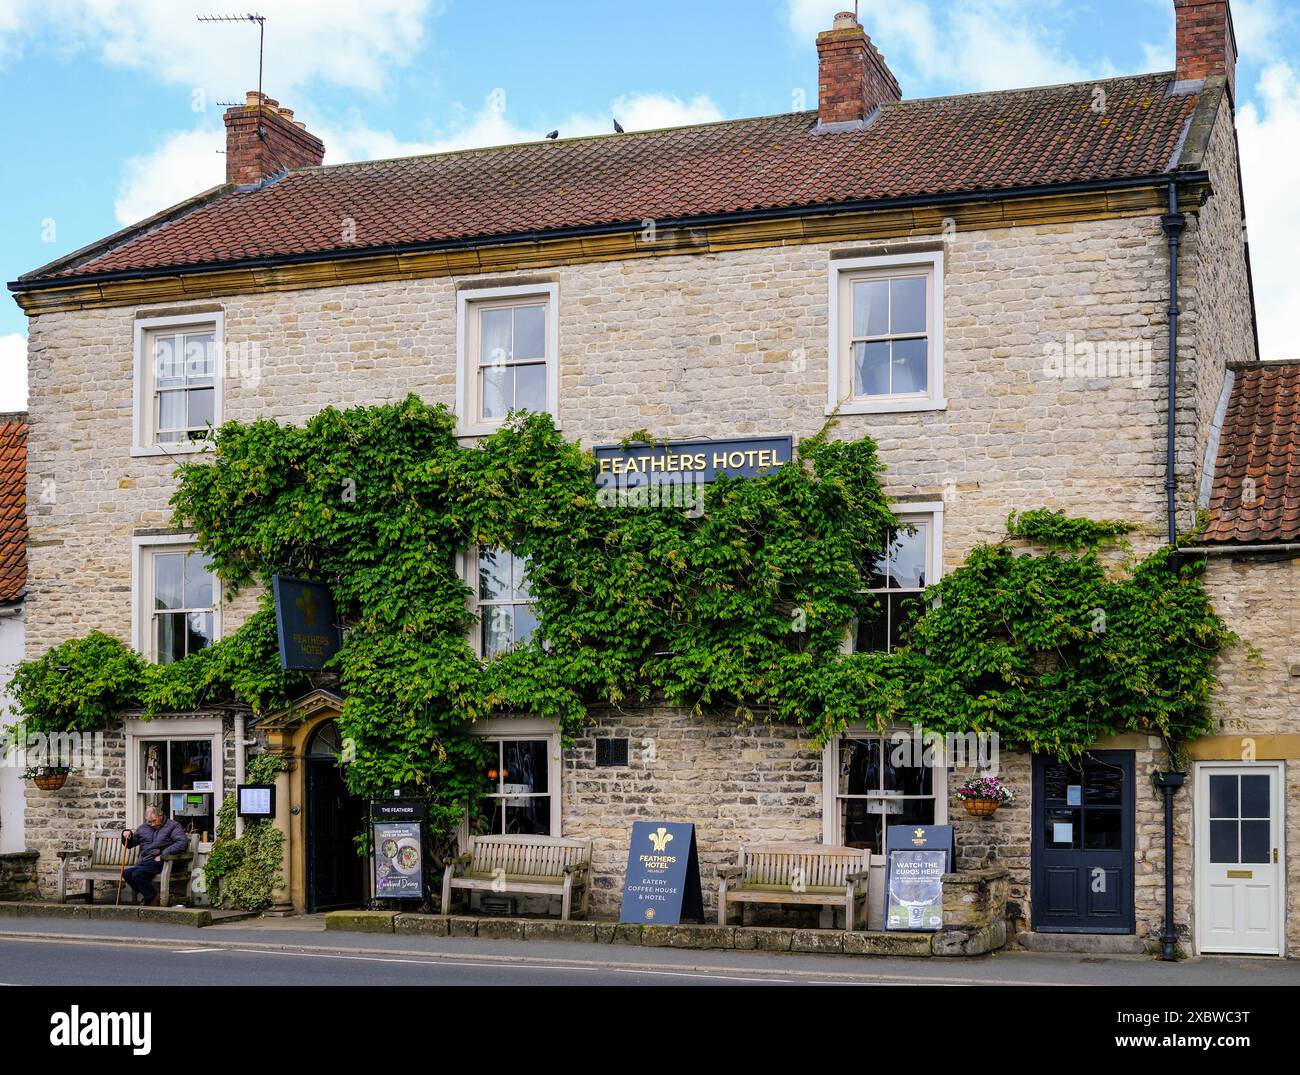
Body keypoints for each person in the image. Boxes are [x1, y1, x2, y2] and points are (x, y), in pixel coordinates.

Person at [121, 806, 190, 906]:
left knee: (137, 874)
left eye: (154, 821)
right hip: (146, 861)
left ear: (160, 816)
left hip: (164, 861)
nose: (152, 824)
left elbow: (182, 843)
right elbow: (130, 844)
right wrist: (126, 834)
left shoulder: (173, 826)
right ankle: (152, 897)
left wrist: (163, 855)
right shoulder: (143, 828)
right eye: (149, 822)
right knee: (127, 873)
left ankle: (150, 898)